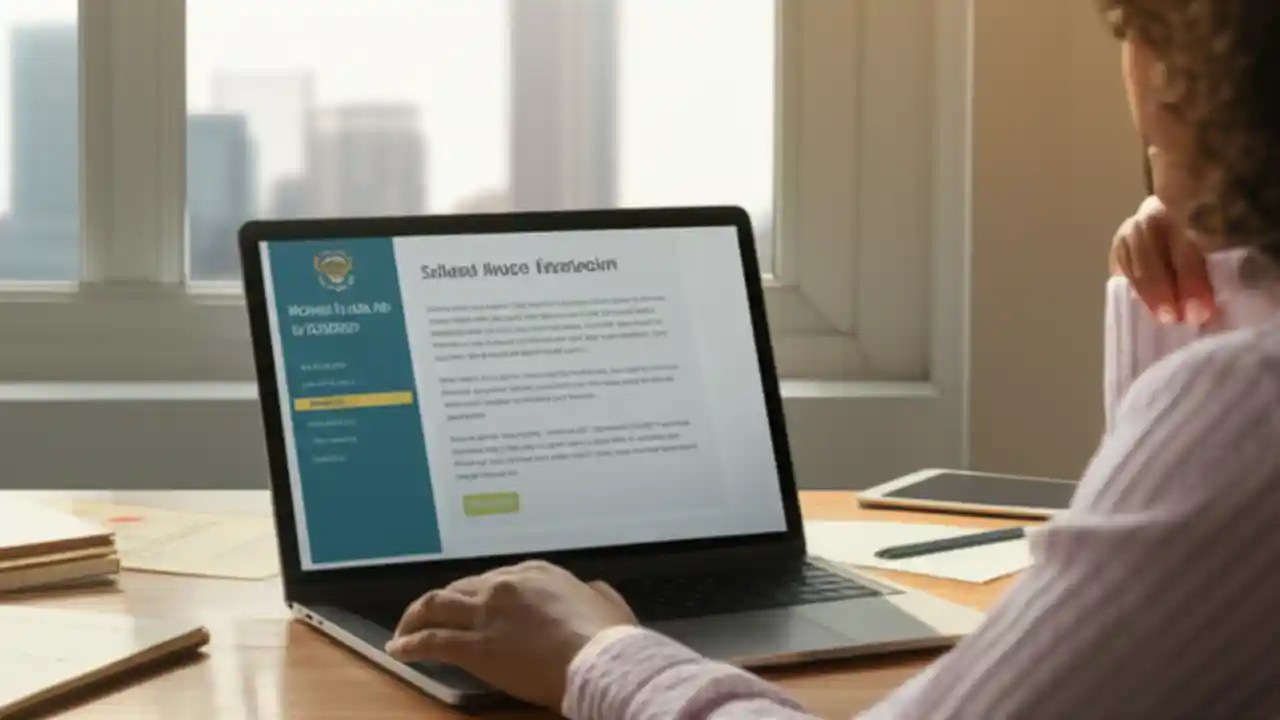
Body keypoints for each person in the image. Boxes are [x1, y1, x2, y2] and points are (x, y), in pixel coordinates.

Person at [385, 1, 1280, 716]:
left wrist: (595, 656)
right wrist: (1219, 250)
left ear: (1188, 76)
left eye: (1133, 27)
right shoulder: (1236, 372)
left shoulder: (1248, 403)